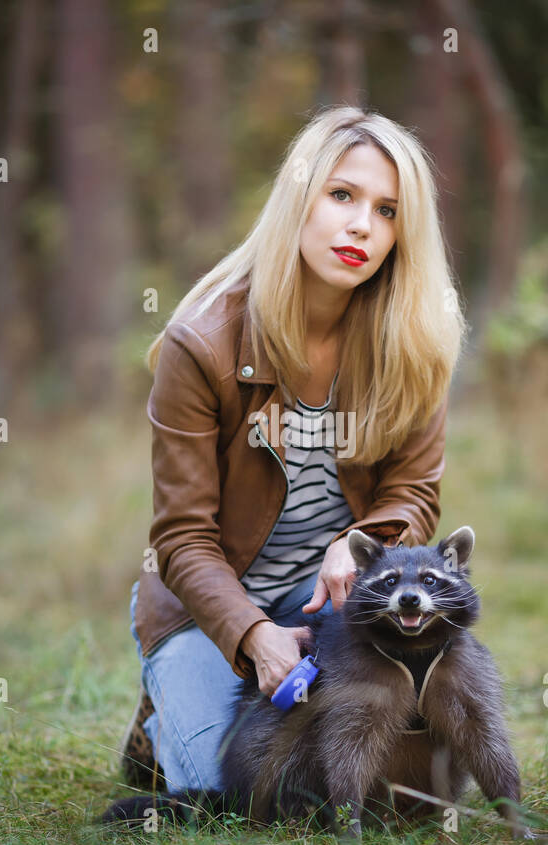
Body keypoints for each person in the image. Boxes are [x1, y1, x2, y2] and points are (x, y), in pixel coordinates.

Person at [122, 104, 467, 794]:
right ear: (299, 199)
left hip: (335, 608)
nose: (362, 225)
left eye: (388, 211)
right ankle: (160, 723)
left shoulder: (417, 339)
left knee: (413, 781)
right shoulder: (202, 341)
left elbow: (415, 494)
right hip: (211, 611)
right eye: (341, 195)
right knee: (237, 789)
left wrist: (358, 539)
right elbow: (183, 538)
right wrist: (255, 636)